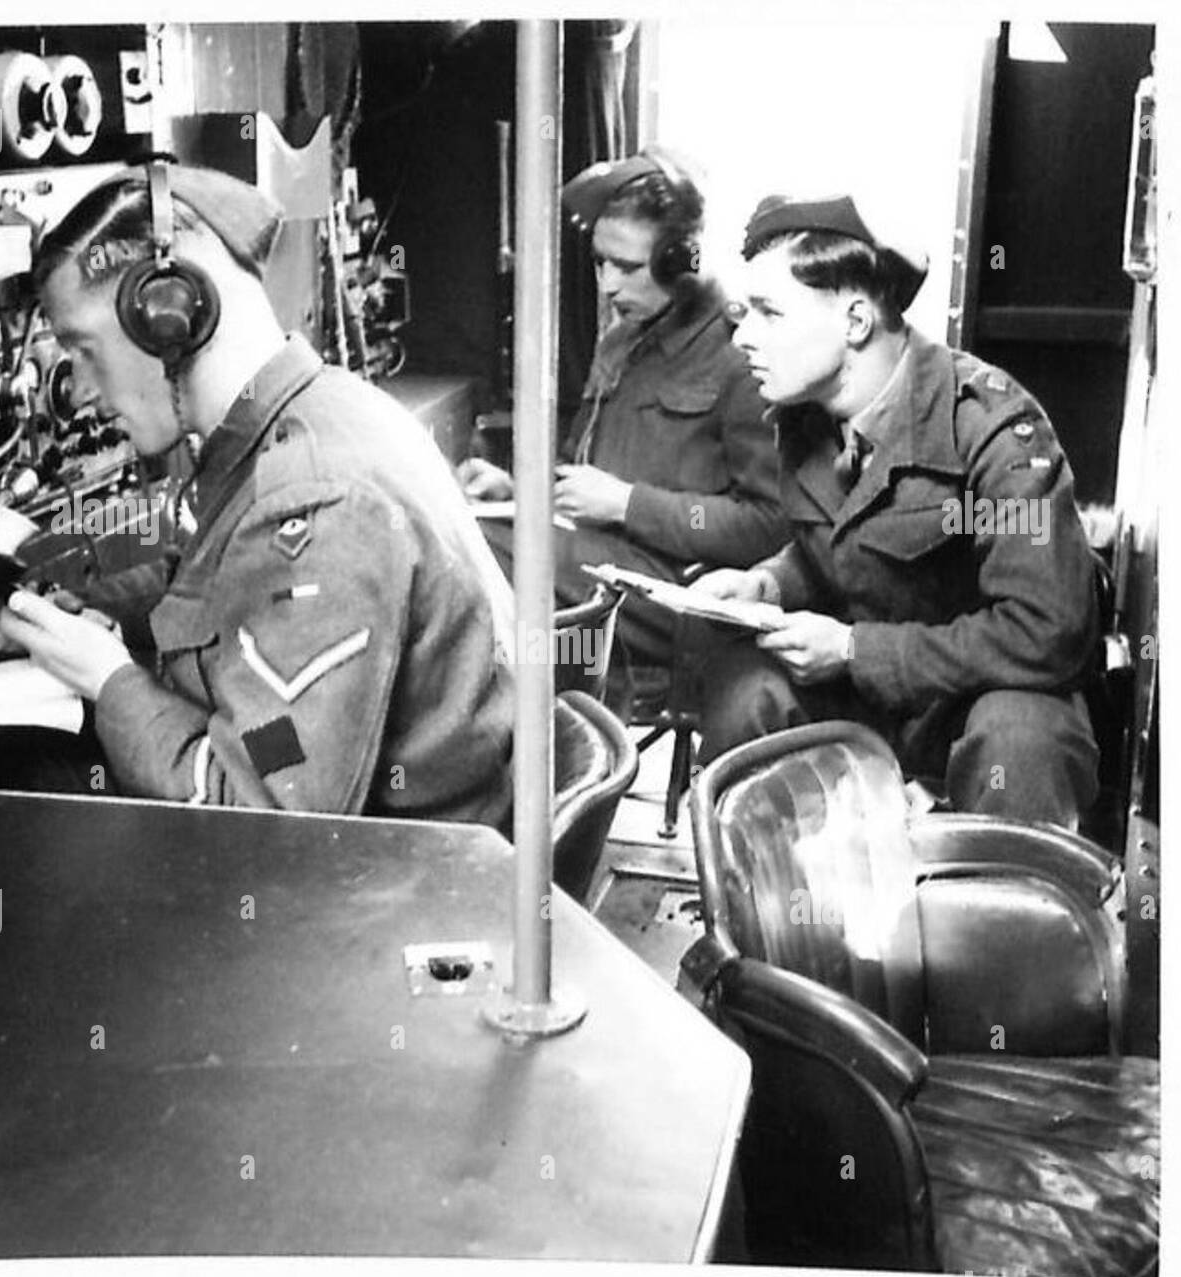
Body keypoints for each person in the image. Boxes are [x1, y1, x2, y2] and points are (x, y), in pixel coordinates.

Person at [0, 158, 515, 828]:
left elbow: (263, 803)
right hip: (399, 845)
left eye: (82, 349)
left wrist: (110, 679)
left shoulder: (314, 502)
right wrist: (61, 598)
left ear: (166, 317)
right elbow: (216, 590)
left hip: (388, 886)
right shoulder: (305, 418)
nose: (78, 391)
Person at [692, 194, 1100, 828]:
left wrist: (855, 650)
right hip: (873, 704)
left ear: (856, 321)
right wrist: (767, 583)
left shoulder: (988, 428)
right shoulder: (804, 421)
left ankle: (1004, 917)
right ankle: (772, 911)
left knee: (1022, 740)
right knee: (744, 688)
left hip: (978, 705)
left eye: (769, 313)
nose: (743, 337)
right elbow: (830, 545)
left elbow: (1047, 630)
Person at [459, 148, 786, 672]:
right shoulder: (620, 340)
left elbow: (770, 526)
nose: (608, 285)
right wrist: (520, 492)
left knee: (472, 552)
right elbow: (587, 477)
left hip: (672, 603)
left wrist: (629, 505)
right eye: (600, 262)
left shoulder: (743, 355)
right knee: (464, 546)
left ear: (685, 260)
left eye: (628, 267)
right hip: (593, 579)